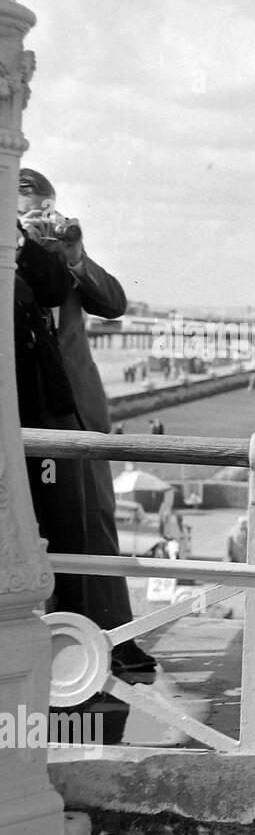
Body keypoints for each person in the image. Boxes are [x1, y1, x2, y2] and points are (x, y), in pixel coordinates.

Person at [17, 168, 159, 681]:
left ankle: (111, 638)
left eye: (44, 211)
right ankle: (49, 644)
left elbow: (114, 303)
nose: (37, 222)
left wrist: (73, 253)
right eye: (27, 212)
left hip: (74, 411)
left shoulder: (62, 260)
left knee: (93, 524)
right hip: (22, 411)